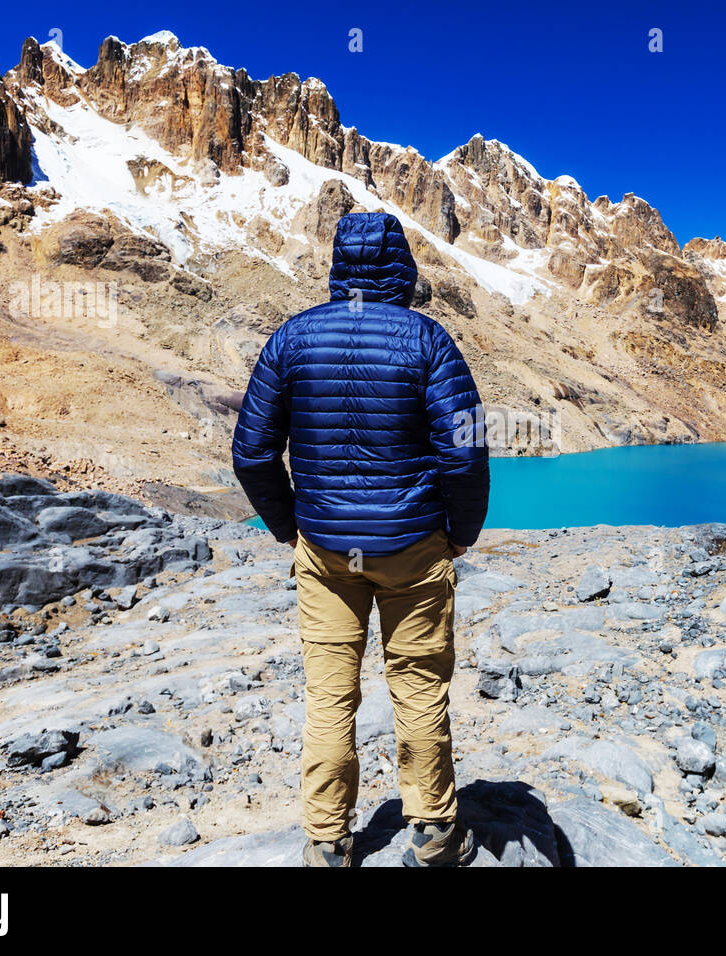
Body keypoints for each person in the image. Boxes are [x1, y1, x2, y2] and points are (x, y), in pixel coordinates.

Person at [232, 211, 490, 867]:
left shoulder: (292, 338)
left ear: (337, 266)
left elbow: (252, 453)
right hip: (413, 548)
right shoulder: (427, 339)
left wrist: (291, 527)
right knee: (419, 687)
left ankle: (327, 840)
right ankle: (434, 834)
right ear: (402, 267)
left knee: (329, 696)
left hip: (325, 553)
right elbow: (465, 452)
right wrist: (460, 534)